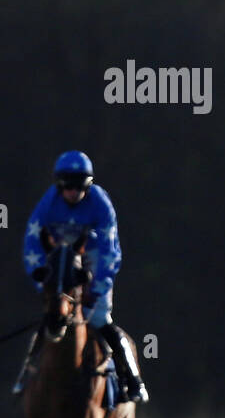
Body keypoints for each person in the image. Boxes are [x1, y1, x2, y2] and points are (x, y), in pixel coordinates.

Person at [14, 151, 150, 403]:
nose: (73, 192)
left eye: (80, 186)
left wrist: (96, 290)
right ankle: (26, 375)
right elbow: (32, 242)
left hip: (92, 265)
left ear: (88, 185)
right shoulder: (49, 202)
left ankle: (133, 380)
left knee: (99, 318)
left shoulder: (100, 203)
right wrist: (40, 278)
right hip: (61, 264)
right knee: (51, 319)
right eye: (68, 185)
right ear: (59, 184)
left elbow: (109, 252)